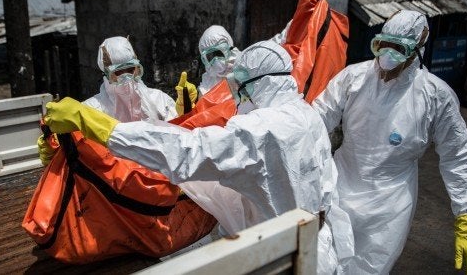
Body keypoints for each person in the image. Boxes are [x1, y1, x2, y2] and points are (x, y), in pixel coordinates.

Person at [44, 40, 353, 274]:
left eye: (238, 87)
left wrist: (101, 128)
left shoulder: (262, 128)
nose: (236, 97)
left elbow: (186, 151)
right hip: (315, 242)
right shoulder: (305, 114)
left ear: (258, 83)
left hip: (283, 253)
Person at [312, 10, 467, 274]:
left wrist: (466, 214)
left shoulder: (435, 96)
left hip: (389, 206)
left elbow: (457, 155)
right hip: (340, 186)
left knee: (368, 269)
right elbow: (317, 119)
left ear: (418, 48)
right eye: (382, 45)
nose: (387, 55)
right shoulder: (353, 78)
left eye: (398, 48)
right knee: (322, 262)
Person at [37, 36, 177, 165]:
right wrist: (52, 145)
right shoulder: (91, 109)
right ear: (106, 73)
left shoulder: (158, 99)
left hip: (158, 176)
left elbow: (178, 135)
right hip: (117, 182)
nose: (126, 76)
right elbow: (72, 152)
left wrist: (185, 109)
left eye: (130, 69)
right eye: (119, 72)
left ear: (137, 68)